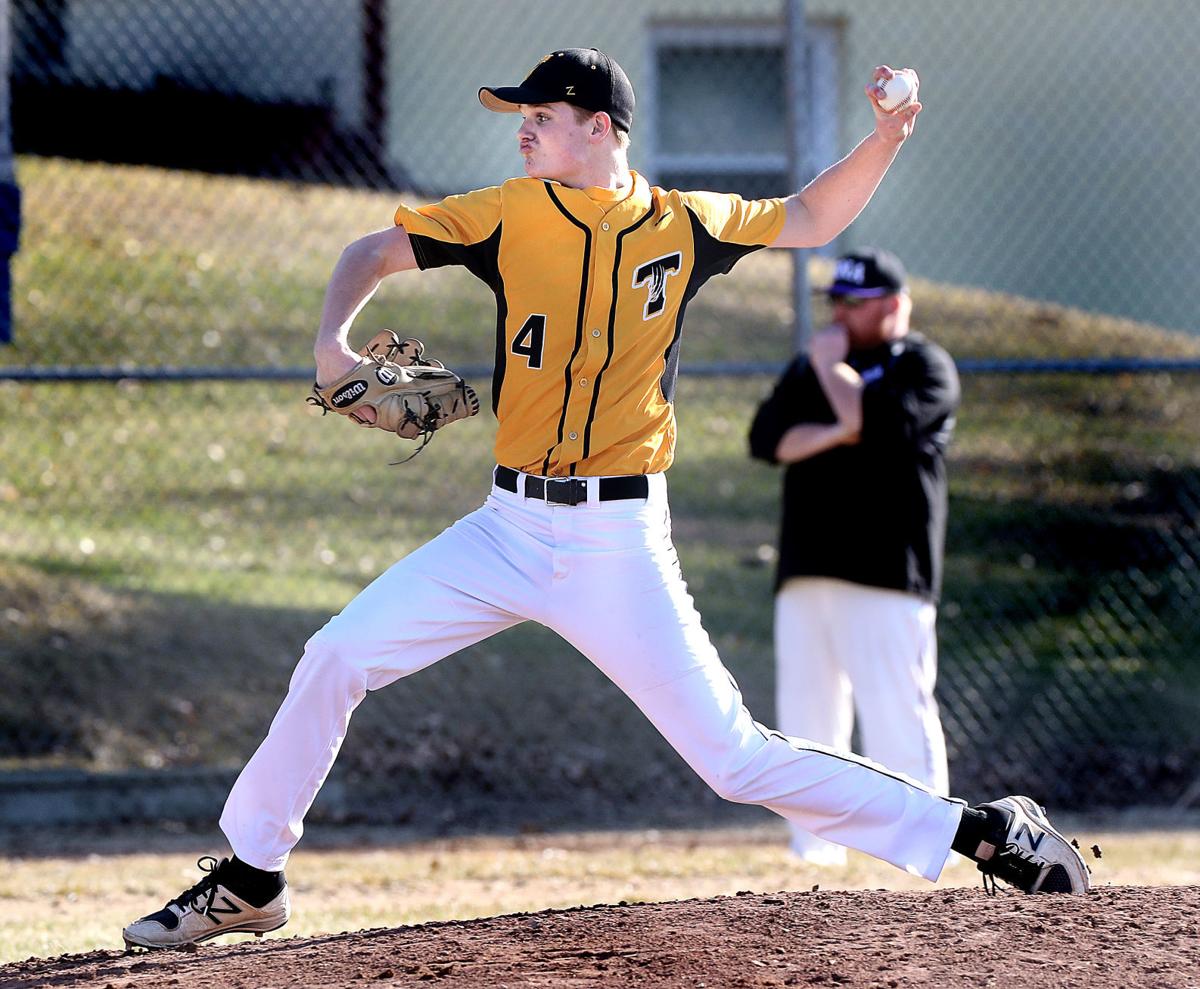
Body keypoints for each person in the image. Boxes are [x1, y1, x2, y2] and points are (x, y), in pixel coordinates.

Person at [123, 47, 1088, 950]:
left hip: (618, 538)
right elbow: (369, 252)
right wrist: (334, 344)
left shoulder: (683, 223)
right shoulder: (509, 211)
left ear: (599, 127)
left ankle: (983, 829)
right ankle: (253, 875)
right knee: (334, 653)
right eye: (523, 117)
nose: (524, 131)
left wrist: (884, 138)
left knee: (736, 758)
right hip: (504, 527)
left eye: (539, 115)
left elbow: (808, 218)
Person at [749, 249, 959, 865]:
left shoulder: (924, 365)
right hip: (808, 568)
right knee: (807, 717)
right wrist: (843, 427)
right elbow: (768, 440)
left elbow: (879, 422)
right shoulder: (815, 364)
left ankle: (928, 848)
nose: (839, 314)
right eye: (835, 302)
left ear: (894, 304)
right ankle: (814, 848)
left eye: (854, 303)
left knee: (897, 710)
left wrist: (836, 387)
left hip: (888, 571)